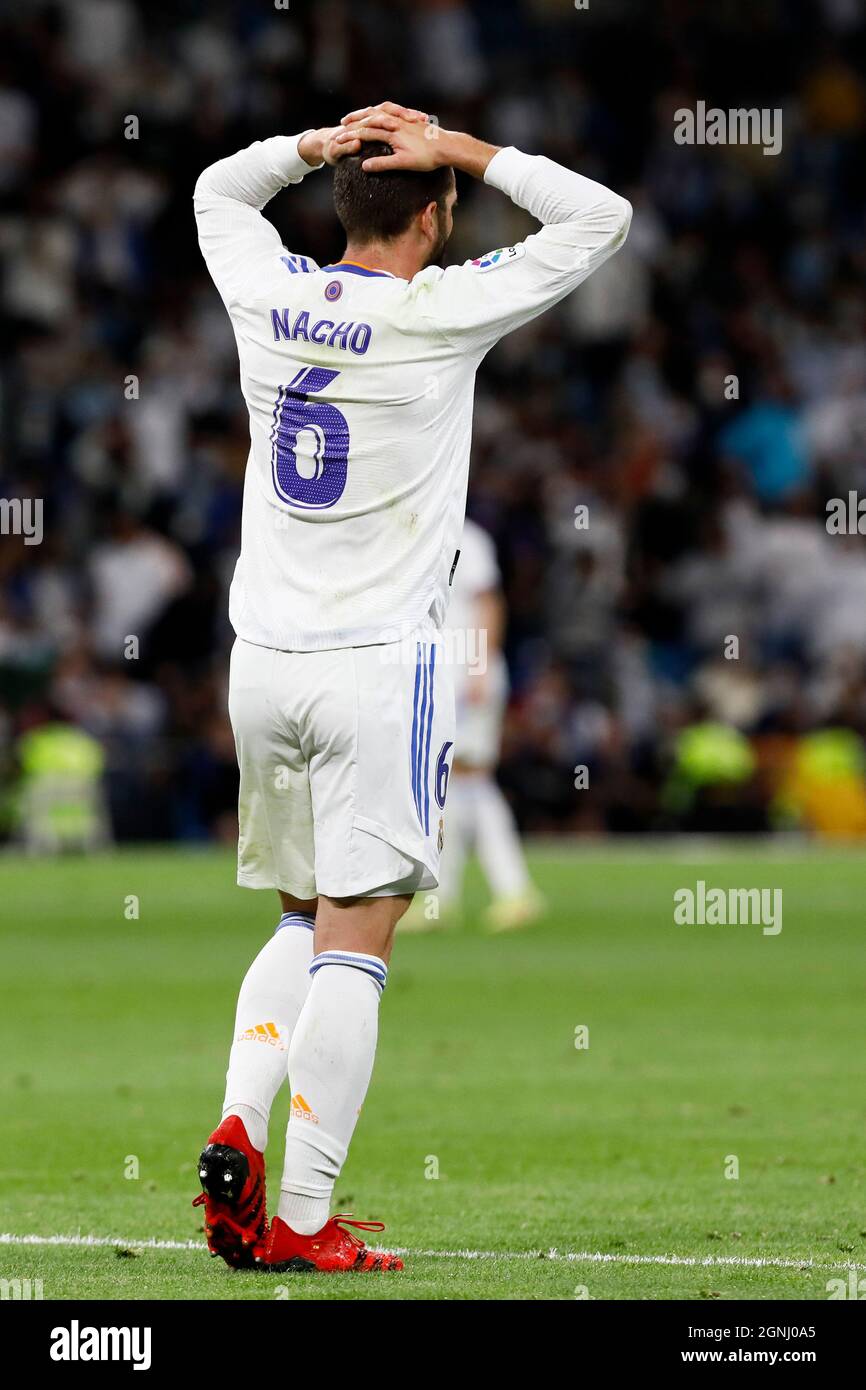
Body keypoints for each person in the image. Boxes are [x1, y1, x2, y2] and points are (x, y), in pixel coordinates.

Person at [192, 100, 631, 1274]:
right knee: (357, 939)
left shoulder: (265, 292)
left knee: (296, 911)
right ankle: (298, 1218)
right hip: (377, 668)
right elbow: (600, 216)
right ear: (433, 215)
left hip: (261, 662)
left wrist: (307, 146)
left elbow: (213, 193)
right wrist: (470, 150)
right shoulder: (436, 313)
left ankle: (238, 1117)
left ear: (340, 200)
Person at [401, 518, 544, 932]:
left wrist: (480, 668)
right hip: (442, 675)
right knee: (442, 784)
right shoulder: (422, 530)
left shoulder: (468, 536)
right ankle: (442, 898)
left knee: (468, 776)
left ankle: (515, 891)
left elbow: (489, 602)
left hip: (468, 675)